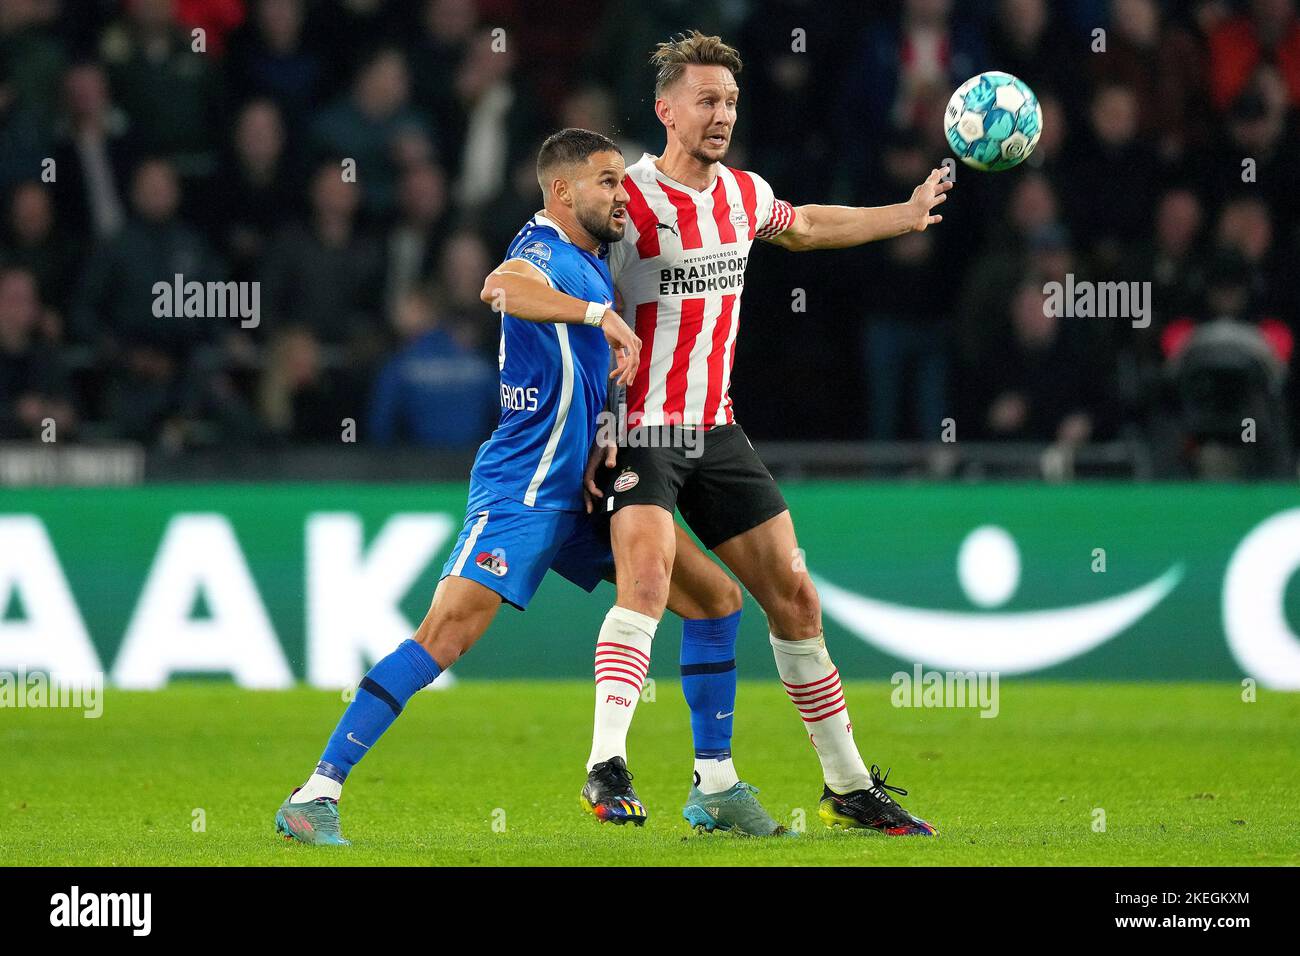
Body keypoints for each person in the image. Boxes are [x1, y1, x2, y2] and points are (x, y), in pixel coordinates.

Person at [274, 128, 745, 844]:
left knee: (716, 599)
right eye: (608, 181)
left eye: (624, 180)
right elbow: (502, 289)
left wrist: (606, 432)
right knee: (444, 637)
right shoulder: (542, 253)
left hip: (581, 492)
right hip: (523, 490)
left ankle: (714, 786)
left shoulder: (588, 260)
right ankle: (315, 794)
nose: (623, 195)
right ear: (562, 190)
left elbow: (583, 379)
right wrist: (601, 315)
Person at [583, 32, 948, 836]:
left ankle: (847, 785)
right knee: (647, 584)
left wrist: (905, 215)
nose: (722, 115)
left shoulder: (745, 196)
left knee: (795, 595)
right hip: (638, 428)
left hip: (715, 431)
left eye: (732, 102)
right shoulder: (624, 199)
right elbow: (560, 283)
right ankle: (607, 765)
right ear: (665, 108)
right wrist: (583, 423)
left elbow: (809, 226)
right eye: (707, 100)